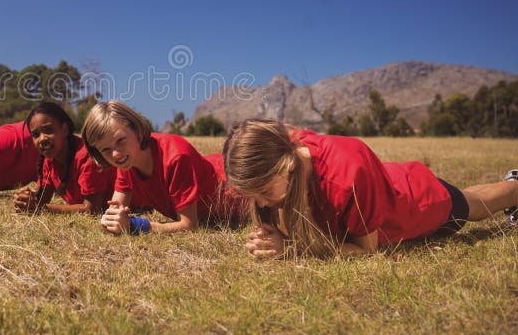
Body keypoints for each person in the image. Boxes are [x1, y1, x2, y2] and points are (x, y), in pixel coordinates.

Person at [222, 119, 518, 258]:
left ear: (286, 166)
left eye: (262, 191)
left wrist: (290, 248)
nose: (260, 204)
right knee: (467, 194)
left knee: (472, 204)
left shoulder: (346, 174)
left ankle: (514, 187)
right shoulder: (288, 148)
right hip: (387, 183)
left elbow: (366, 251)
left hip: (420, 201)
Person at [81, 100, 249, 235]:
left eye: (120, 140)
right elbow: (115, 211)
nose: (115, 154)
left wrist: (134, 225)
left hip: (239, 187)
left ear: (137, 131)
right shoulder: (127, 161)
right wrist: (111, 220)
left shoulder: (175, 158)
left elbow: (189, 225)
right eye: (106, 149)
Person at [12, 102, 115, 214]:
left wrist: (41, 208)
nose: (42, 138)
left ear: (65, 129)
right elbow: (42, 198)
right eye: (36, 134)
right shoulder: (50, 159)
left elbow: (92, 209)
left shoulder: (87, 157)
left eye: (48, 130)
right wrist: (25, 199)